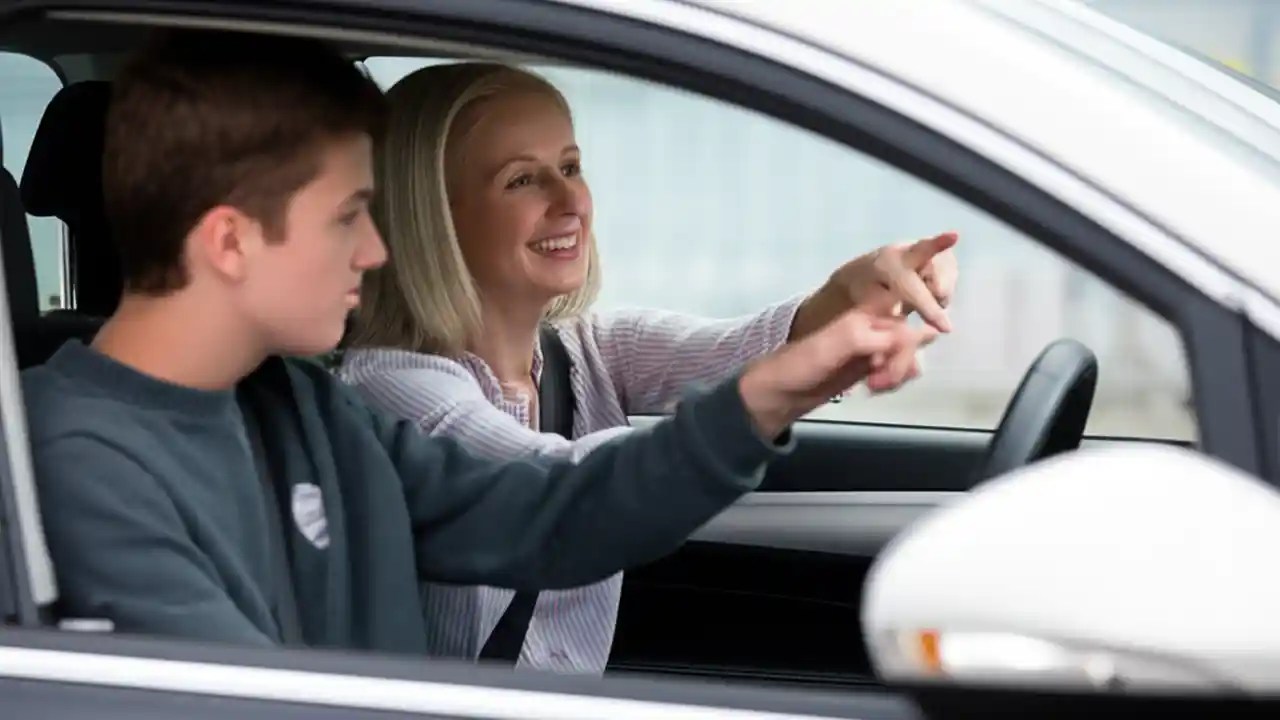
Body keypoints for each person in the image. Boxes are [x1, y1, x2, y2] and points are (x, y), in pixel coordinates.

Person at [21, 31, 936, 654]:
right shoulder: (71, 463)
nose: (378, 249)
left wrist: (789, 374)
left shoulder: (305, 407)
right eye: (349, 217)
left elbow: (548, 510)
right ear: (229, 241)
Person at [338, 62, 958, 673]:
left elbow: (741, 348)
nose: (571, 200)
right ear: (434, 219)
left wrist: (854, 293)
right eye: (522, 180)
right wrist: (778, 388)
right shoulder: (391, 388)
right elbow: (559, 491)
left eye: (571, 168)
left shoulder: (583, 351)